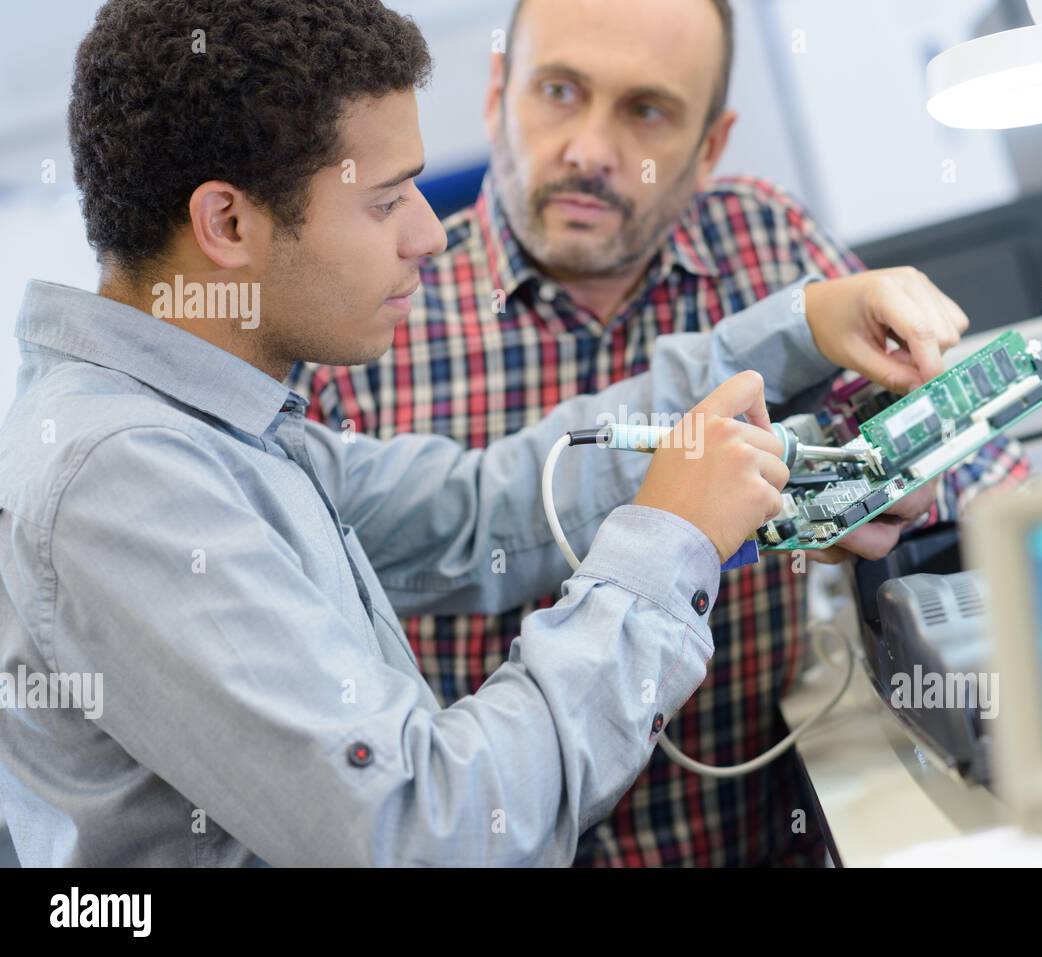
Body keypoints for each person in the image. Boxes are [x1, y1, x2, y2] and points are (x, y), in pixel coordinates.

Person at [0, 0, 966, 866]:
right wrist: (666, 546)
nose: (427, 234)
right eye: (385, 202)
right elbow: (427, 831)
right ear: (227, 223)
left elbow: (483, 508)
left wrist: (797, 329)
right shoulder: (123, 479)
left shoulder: (217, 423)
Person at [292, 0, 1030, 866]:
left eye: (647, 111)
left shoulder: (763, 239)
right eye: (559, 91)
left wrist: (912, 486)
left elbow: (986, 477)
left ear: (710, 145)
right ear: (498, 92)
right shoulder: (366, 316)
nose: (591, 149)